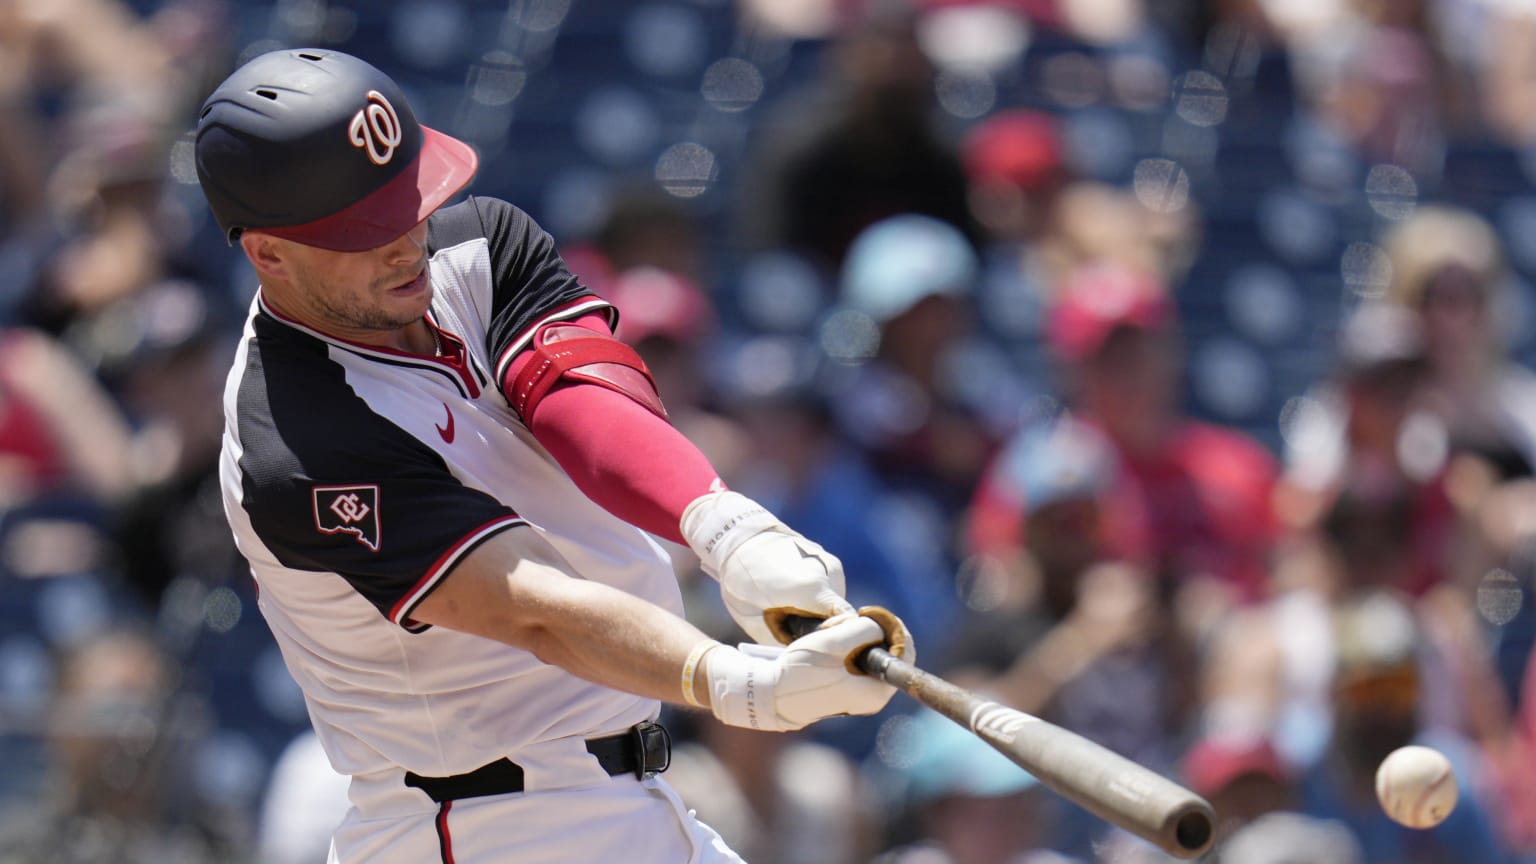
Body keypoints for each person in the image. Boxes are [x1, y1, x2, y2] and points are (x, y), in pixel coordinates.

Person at [192, 49, 913, 864]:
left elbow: (582, 402)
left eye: (408, 201)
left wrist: (726, 528)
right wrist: (739, 685)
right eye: (365, 230)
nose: (404, 243)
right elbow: (537, 610)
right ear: (269, 253)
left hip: (626, 796)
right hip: (480, 825)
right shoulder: (294, 438)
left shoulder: (480, 246)